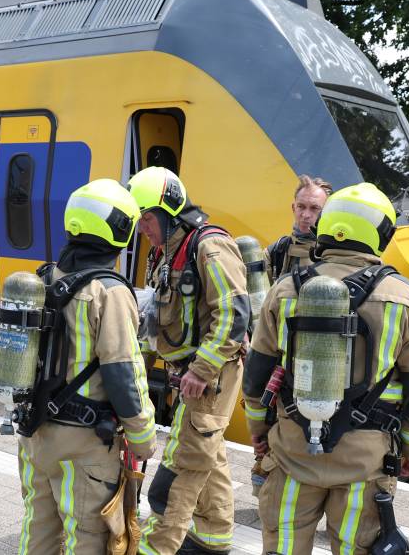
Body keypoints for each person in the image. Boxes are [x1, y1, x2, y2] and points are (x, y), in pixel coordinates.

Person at [242, 182, 409, 555]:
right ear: (381, 235)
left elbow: (256, 376)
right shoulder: (406, 297)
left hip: (292, 452)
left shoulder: (286, 288)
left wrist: (258, 430)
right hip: (366, 464)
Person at [17, 178, 157, 553]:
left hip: (35, 435)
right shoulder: (109, 292)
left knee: (38, 528)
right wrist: (142, 436)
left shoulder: (44, 278)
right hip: (84, 445)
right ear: (120, 229)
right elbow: (122, 373)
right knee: (88, 538)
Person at [126, 166, 249, 555]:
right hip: (189, 374)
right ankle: (213, 540)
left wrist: (201, 369)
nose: (141, 229)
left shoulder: (209, 247)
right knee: (207, 457)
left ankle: (156, 548)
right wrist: (140, 369)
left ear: (167, 212)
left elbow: (234, 315)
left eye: (145, 218)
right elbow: (153, 316)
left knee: (178, 472)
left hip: (210, 376)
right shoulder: (163, 252)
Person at [265, 175, 331, 282]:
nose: (305, 215)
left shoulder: (333, 254)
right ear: (293, 208)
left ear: (327, 212)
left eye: (314, 208)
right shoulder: (275, 253)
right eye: (301, 206)